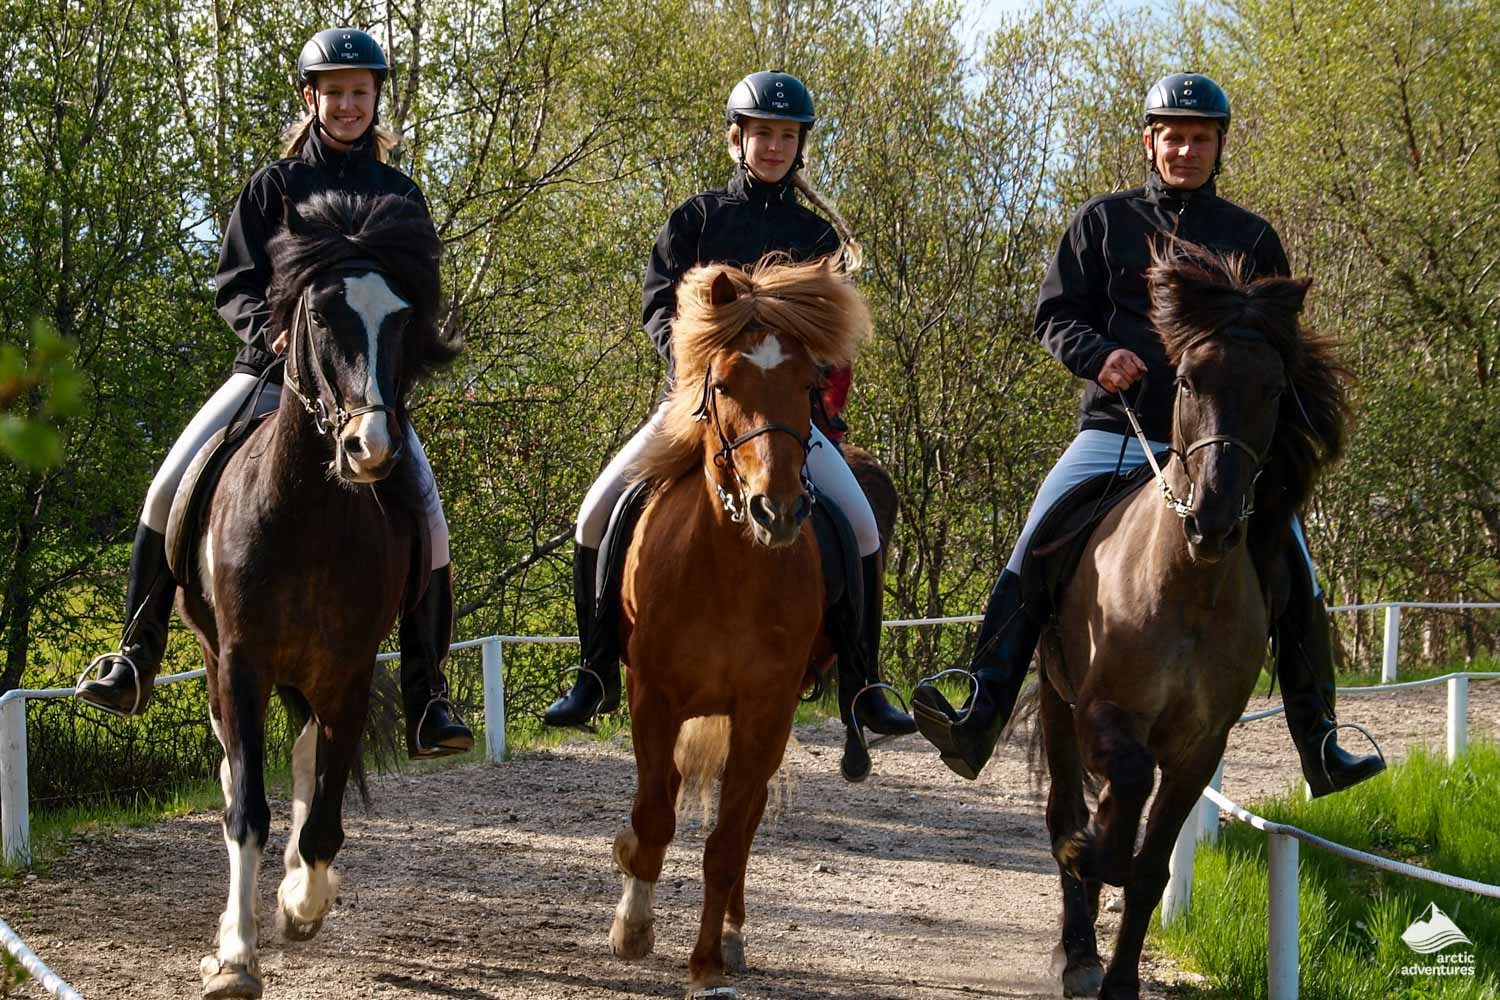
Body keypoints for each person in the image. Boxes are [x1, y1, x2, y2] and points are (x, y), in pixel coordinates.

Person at [911, 73, 1385, 797]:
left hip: (1222, 446)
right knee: (1034, 539)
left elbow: (1276, 351)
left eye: (1200, 137)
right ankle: (981, 706)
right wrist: (1099, 357)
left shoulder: (1253, 237)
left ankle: (1319, 739)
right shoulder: (1103, 222)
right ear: (1150, 141)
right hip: (1120, 429)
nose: (1186, 149)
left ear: (1219, 144)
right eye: (1173, 136)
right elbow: (1054, 314)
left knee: (1299, 569)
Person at [75, 28, 473, 760]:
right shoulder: (274, 186)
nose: (349, 105)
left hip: (364, 390)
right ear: (309, 97)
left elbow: (418, 297)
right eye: (335, 92)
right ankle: (136, 652)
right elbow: (233, 282)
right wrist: (277, 333)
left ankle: (428, 695)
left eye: (361, 92)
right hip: (267, 374)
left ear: (376, 97)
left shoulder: (401, 194)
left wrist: (388, 369)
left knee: (431, 518)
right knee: (168, 486)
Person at [543, 71, 915, 746]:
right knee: (596, 511)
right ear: (737, 139)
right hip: (696, 407)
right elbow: (660, 306)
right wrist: (691, 359)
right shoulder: (696, 220)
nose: (772, 146)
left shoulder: (814, 235)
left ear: (799, 146)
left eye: (786, 135)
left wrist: (811, 380)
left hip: (786, 420)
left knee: (860, 526)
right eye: (761, 133)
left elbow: (831, 338)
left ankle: (863, 681)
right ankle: (595, 668)